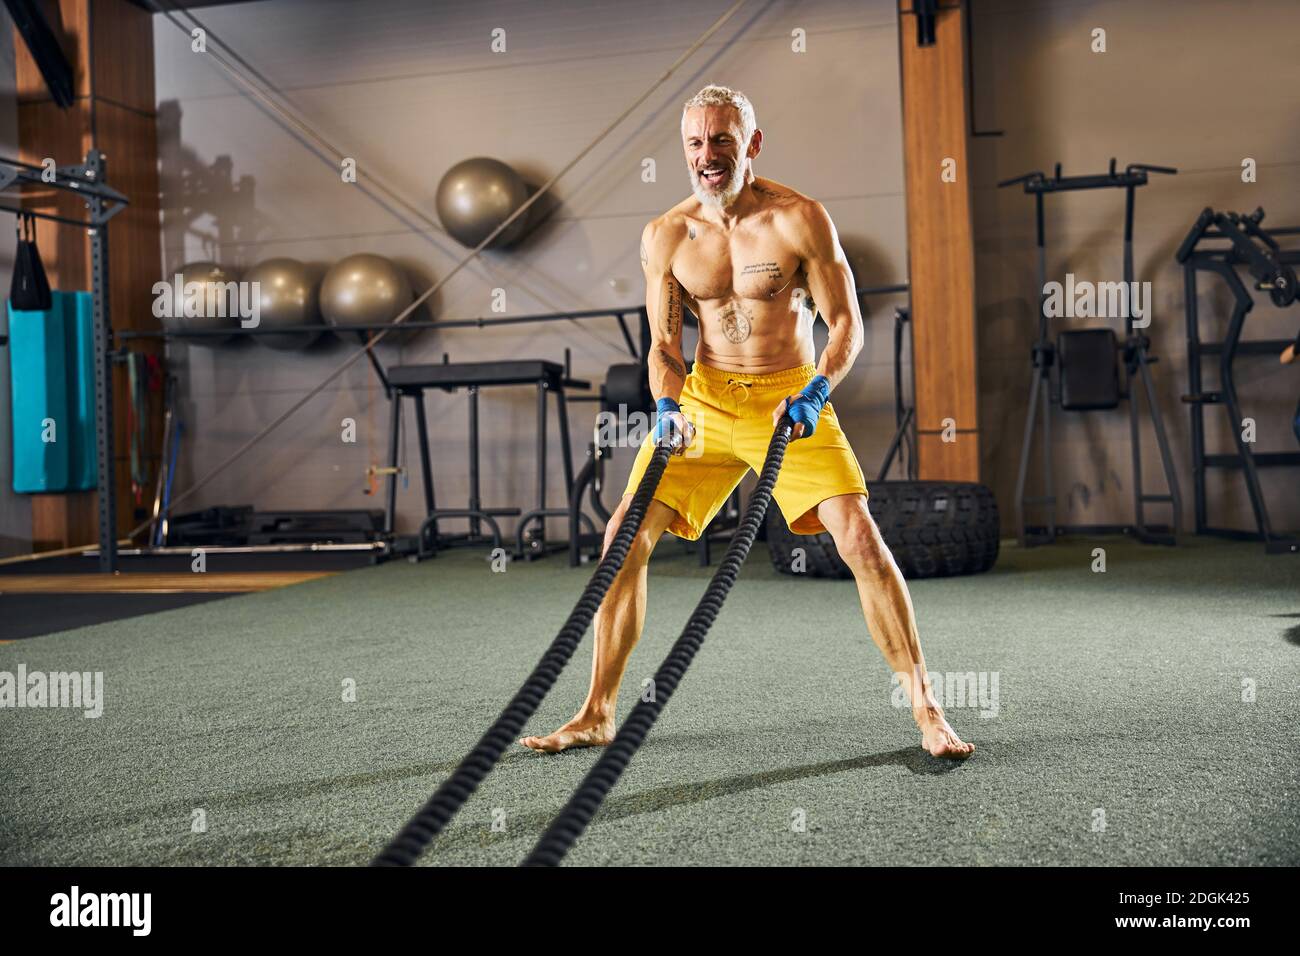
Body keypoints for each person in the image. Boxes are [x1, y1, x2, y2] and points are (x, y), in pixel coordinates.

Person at [521, 85, 974, 759]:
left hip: (788, 397)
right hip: (704, 403)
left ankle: (927, 708)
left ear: (752, 144)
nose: (708, 156)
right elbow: (665, 348)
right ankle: (597, 712)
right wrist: (667, 405)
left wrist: (818, 391)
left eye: (723, 140)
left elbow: (845, 321)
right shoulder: (667, 235)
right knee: (622, 534)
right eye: (697, 143)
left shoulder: (800, 220)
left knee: (860, 540)